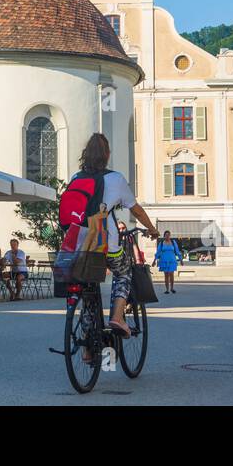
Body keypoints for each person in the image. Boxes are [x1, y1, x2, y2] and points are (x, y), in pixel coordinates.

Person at [75, 133, 158, 339]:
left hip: (81, 244)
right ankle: (117, 317)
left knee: (87, 290)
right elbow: (136, 210)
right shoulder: (115, 178)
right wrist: (152, 228)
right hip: (105, 243)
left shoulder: (76, 178)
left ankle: (87, 346)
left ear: (86, 154)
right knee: (123, 272)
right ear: (107, 154)